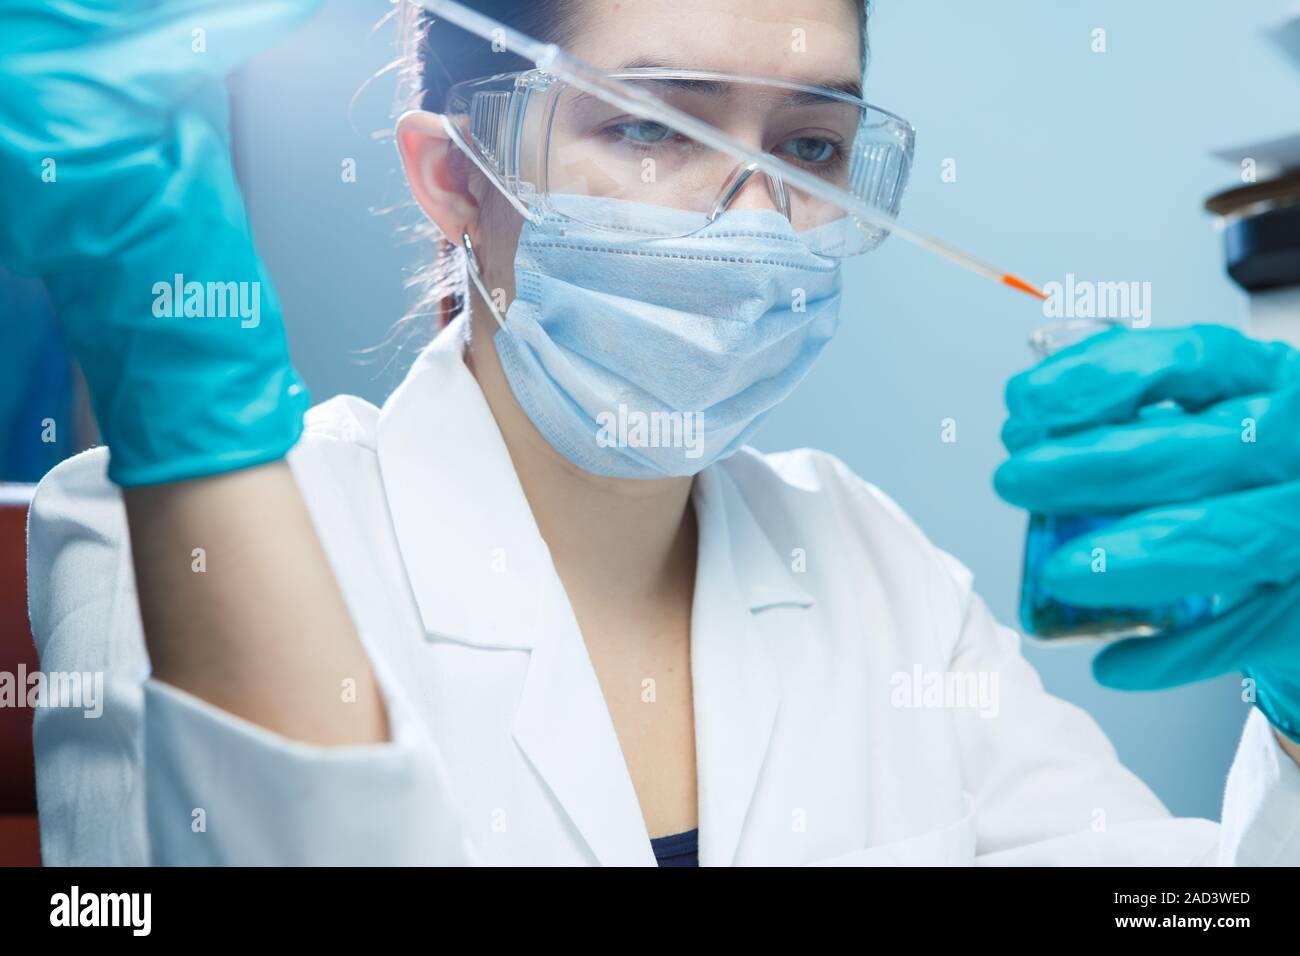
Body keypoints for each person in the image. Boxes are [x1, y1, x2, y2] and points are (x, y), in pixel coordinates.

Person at [11, 0, 1300, 867]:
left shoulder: (872, 566)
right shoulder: (168, 539)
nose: (751, 220)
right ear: (456, 177)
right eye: (650, 126)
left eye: (809, 145)